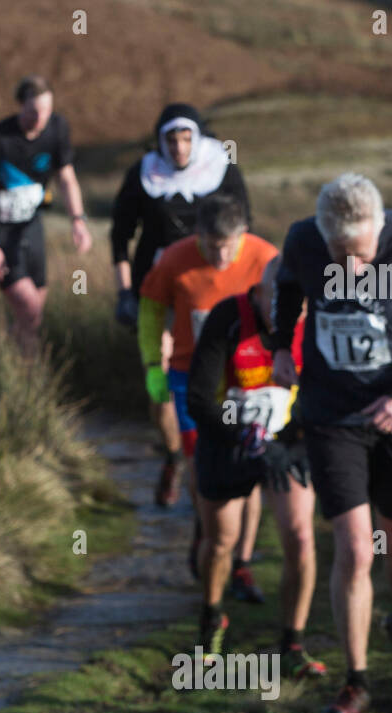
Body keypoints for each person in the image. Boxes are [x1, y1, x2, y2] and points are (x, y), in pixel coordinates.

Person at [271, 173, 392, 713]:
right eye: (339, 255)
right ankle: (356, 680)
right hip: (332, 412)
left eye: (359, 255)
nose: (349, 269)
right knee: (357, 550)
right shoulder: (303, 241)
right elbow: (286, 289)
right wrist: (281, 346)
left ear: (379, 230)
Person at [186, 256, 326, 678]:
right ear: (260, 291)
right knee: (220, 542)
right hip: (227, 440)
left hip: (286, 444)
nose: (287, 314)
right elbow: (198, 399)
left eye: (297, 305)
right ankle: (212, 621)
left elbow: (327, 394)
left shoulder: (316, 326)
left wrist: (293, 435)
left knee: (301, 538)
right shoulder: (228, 318)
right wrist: (244, 434)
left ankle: (292, 644)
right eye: (278, 301)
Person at [112, 102, 249, 508]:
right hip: (158, 293)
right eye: (170, 138)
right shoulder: (142, 175)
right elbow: (120, 236)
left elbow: (246, 229)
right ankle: (177, 456)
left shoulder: (223, 170)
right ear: (159, 141)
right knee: (161, 385)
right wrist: (123, 293)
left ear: (198, 137)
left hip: (216, 293)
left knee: (219, 376)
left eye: (186, 137)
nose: (178, 146)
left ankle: (219, 457)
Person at [139, 194, 278, 595]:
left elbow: (290, 313)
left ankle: (243, 562)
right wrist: (153, 365)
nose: (220, 255)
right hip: (190, 378)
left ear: (242, 236)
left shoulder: (266, 259)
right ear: (198, 235)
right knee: (201, 465)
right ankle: (208, 532)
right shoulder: (175, 260)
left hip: (250, 379)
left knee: (250, 466)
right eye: (212, 246)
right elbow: (150, 310)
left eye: (229, 246)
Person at [0, 75, 92, 351]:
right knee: (30, 307)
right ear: (20, 107)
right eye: (34, 111)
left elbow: (66, 178)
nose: (40, 118)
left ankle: (11, 355)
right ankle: (27, 364)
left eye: (46, 111)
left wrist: (78, 221)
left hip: (31, 226)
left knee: (33, 313)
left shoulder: (57, 129)